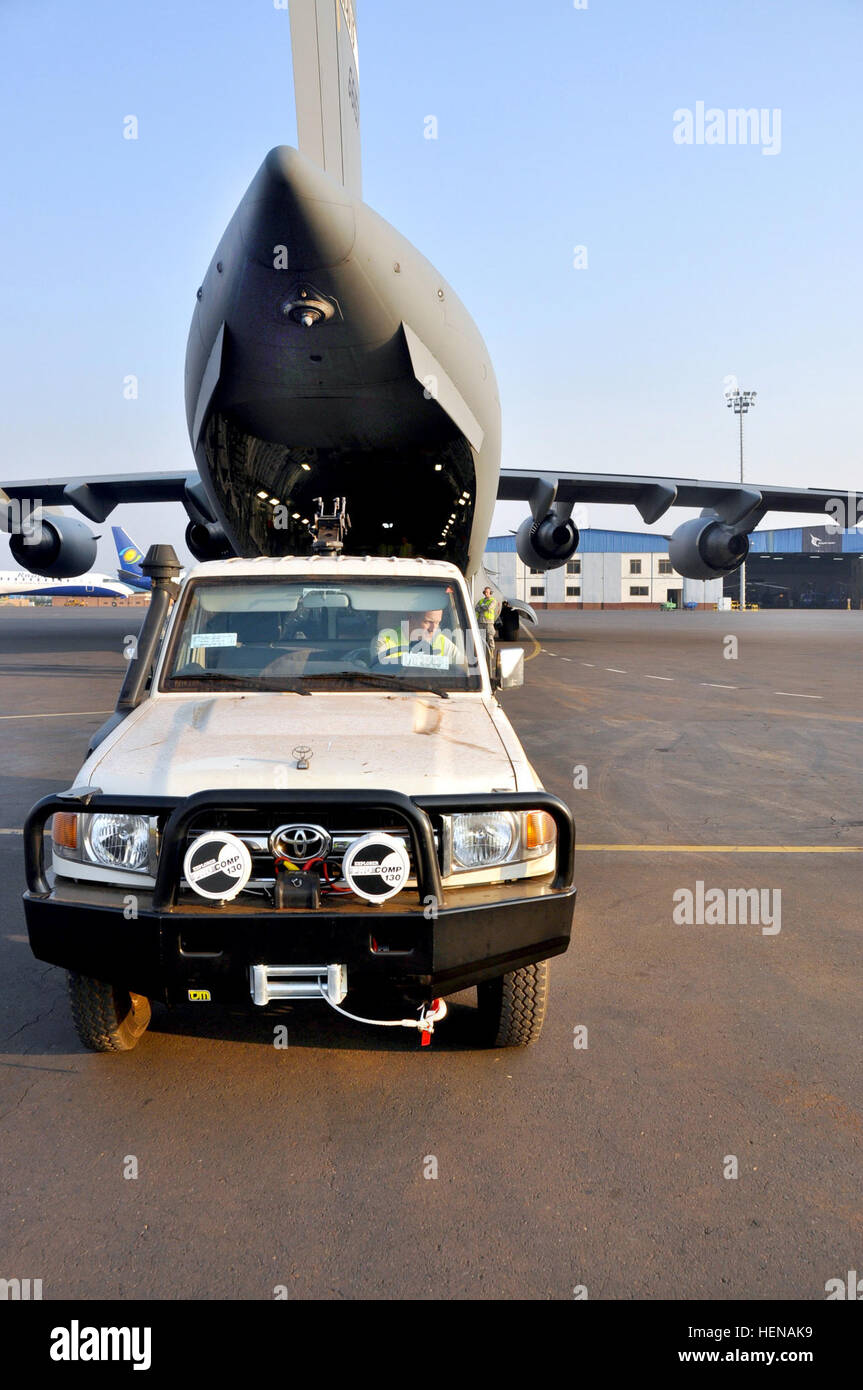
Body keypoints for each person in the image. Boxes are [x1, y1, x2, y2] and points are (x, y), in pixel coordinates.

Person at [376, 609, 459, 666]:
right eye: (428, 622)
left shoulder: (442, 641)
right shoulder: (385, 639)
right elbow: (381, 671)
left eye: (437, 623)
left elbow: (465, 668)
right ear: (410, 617)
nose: (433, 629)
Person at [475, 586, 497, 668]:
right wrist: (482, 608)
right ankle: (482, 654)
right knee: (481, 638)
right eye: (485, 592)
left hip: (488, 622)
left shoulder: (493, 600)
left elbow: (489, 608)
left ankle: (491, 652)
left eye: (488, 592)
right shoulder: (481, 600)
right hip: (480, 622)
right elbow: (476, 608)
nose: (486, 593)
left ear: (490, 593)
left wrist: (482, 607)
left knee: (490, 637)